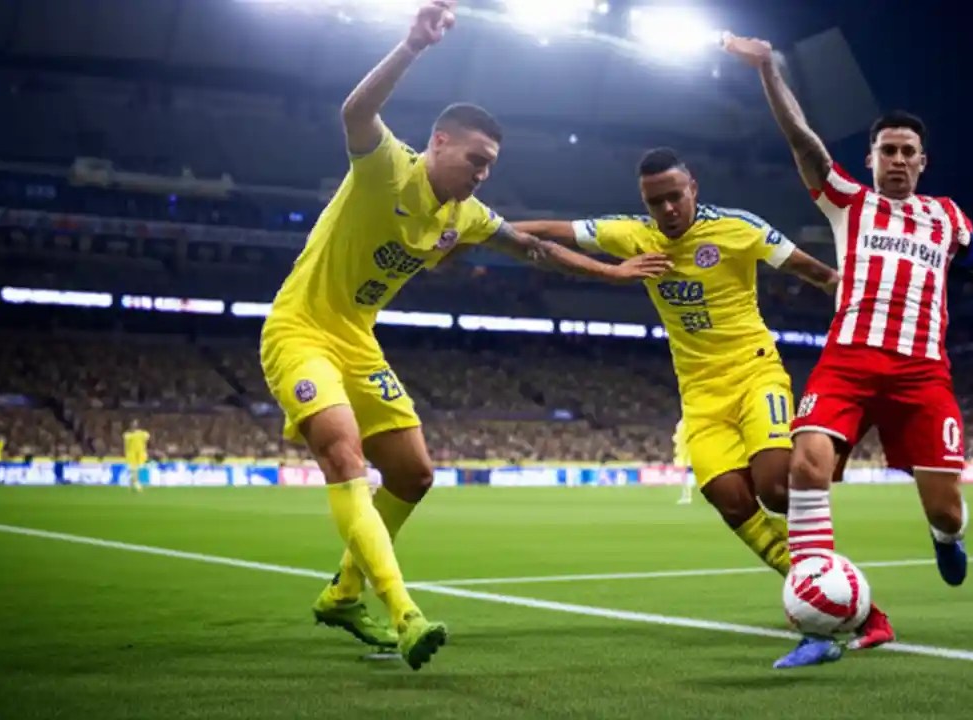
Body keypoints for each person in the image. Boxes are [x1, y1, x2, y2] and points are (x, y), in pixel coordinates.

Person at [260, 1, 670, 671]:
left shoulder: (467, 215)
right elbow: (355, 113)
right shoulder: (387, 168)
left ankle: (342, 594)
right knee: (344, 456)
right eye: (475, 159)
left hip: (357, 340)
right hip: (299, 330)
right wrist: (412, 46)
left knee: (414, 474)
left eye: (491, 166)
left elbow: (533, 249)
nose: (482, 173)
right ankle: (404, 615)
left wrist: (613, 272)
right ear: (440, 143)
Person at [723, 33, 973, 668]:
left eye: (907, 152)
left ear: (923, 162)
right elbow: (804, 142)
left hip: (922, 375)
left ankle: (947, 538)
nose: (896, 159)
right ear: (870, 159)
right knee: (806, 466)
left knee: (945, 510)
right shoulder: (849, 202)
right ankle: (818, 623)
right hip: (848, 360)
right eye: (886, 150)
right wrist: (768, 71)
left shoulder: (947, 218)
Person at [515, 148, 840, 579]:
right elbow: (552, 231)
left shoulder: (739, 227)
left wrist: (855, 303)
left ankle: (823, 566)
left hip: (754, 372)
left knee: (777, 489)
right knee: (731, 501)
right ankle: (808, 582)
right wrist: (478, 230)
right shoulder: (634, 235)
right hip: (700, 396)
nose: (667, 208)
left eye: (675, 196)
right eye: (655, 201)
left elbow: (822, 276)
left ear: (693, 189)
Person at [122, 419, 149, 493]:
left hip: (140, 455)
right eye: (133, 424)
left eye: (135, 424)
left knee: (136, 470)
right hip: (131, 455)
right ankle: (136, 484)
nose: (134, 426)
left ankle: (132, 484)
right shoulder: (127, 435)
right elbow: (126, 445)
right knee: (134, 470)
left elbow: (146, 441)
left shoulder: (143, 434)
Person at [673, 419, 694, 505]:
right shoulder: (688, 422)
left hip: (686, 457)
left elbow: (677, 438)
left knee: (686, 478)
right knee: (687, 478)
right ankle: (687, 496)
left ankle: (687, 496)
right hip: (688, 456)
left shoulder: (683, 423)